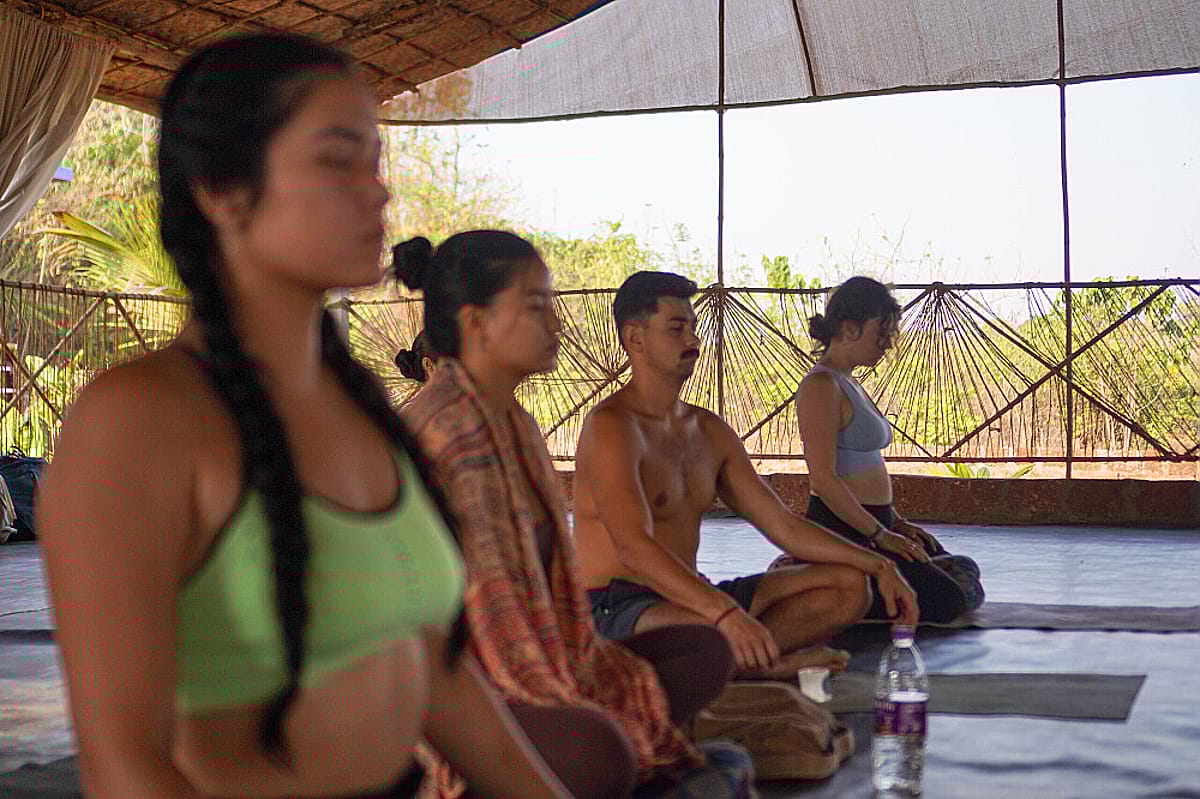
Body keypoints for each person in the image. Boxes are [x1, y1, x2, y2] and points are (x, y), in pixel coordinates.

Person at [35, 34, 572, 799]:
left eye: (375, 164)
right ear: (224, 191)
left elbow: (429, 663)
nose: (379, 193)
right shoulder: (139, 420)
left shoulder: (359, 405)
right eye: (337, 159)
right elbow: (125, 766)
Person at [395, 234, 737, 799]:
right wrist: (562, 698)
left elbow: (550, 608)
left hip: (546, 660)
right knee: (600, 751)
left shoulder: (516, 423)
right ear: (477, 323)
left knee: (703, 650)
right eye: (536, 306)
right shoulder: (448, 431)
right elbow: (481, 630)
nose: (557, 322)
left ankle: (609, 752)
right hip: (460, 692)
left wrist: (572, 678)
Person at [574, 271, 918, 679]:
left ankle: (733, 664)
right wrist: (724, 615)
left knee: (848, 586)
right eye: (676, 329)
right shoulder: (612, 426)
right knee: (701, 631)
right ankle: (759, 666)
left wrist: (880, 564)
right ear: (635, 339)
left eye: (694, 327)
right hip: (620, 606)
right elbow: (634, 547)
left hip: (694, 596)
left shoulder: (708, 431)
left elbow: (783, 526)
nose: (693, 341)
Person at [778, 275, 984, 622]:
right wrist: (879, 534)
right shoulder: (820, 386)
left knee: (964, 570)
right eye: (881, 333)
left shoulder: (849, 381)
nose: (887, 343)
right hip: (844, 529)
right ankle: (825, 587)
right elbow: (824, 481)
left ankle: (825, 583)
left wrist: (897, 524)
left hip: (876, 524)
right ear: (849, 328)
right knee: (951, 596)